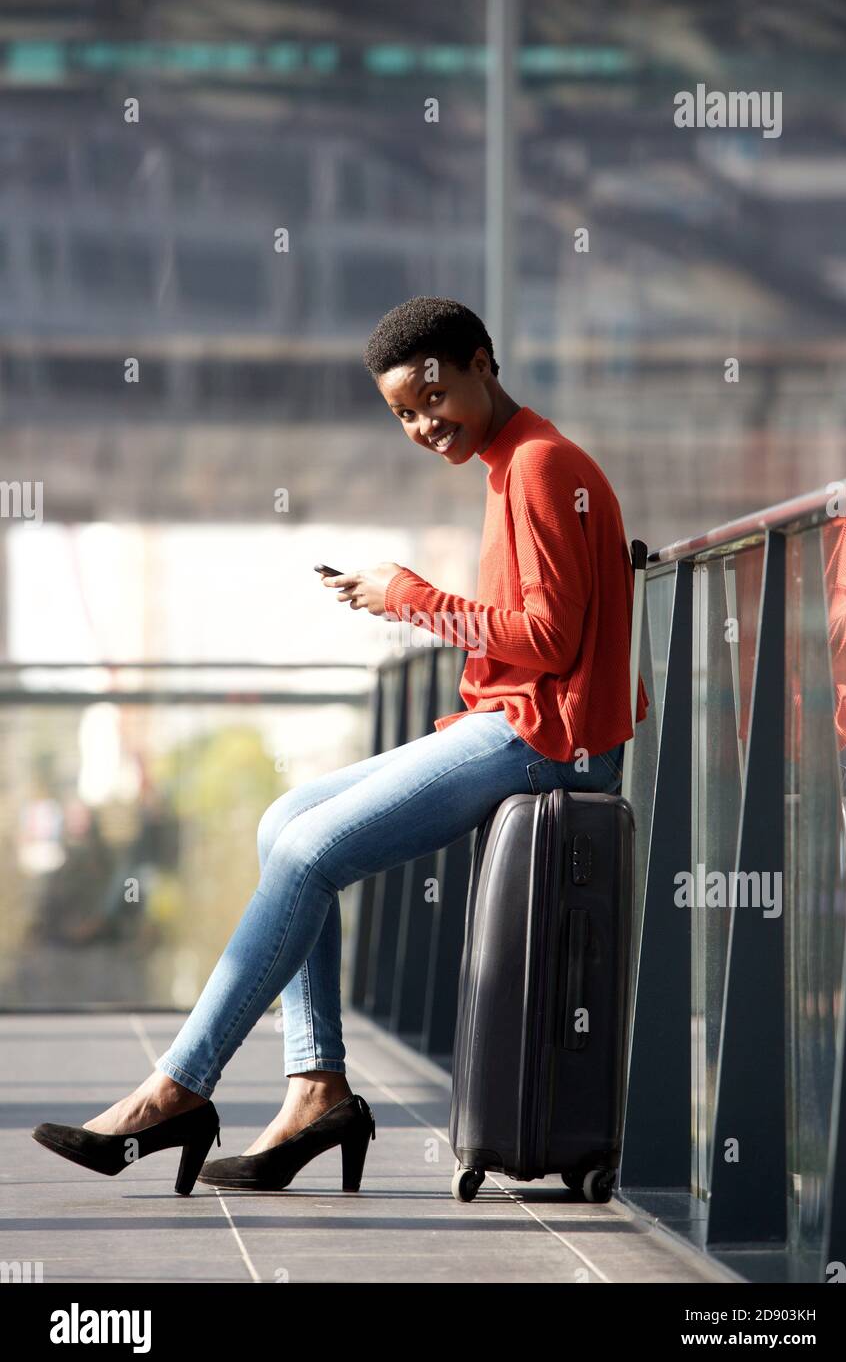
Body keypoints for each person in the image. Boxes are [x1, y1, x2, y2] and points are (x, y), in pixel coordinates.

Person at [32, 296, 649, 1195]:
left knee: (311, 853)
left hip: (549, 740)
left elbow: (549, 641)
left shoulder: (541, 466)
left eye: (432, 399)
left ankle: (175, 1089)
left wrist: (408, 595)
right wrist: (406, 593)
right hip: (511, 722)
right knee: (284, 816)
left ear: (482, 362)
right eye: (402, 414)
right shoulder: (512, 463)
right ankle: (316, 1087)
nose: (422, 425)